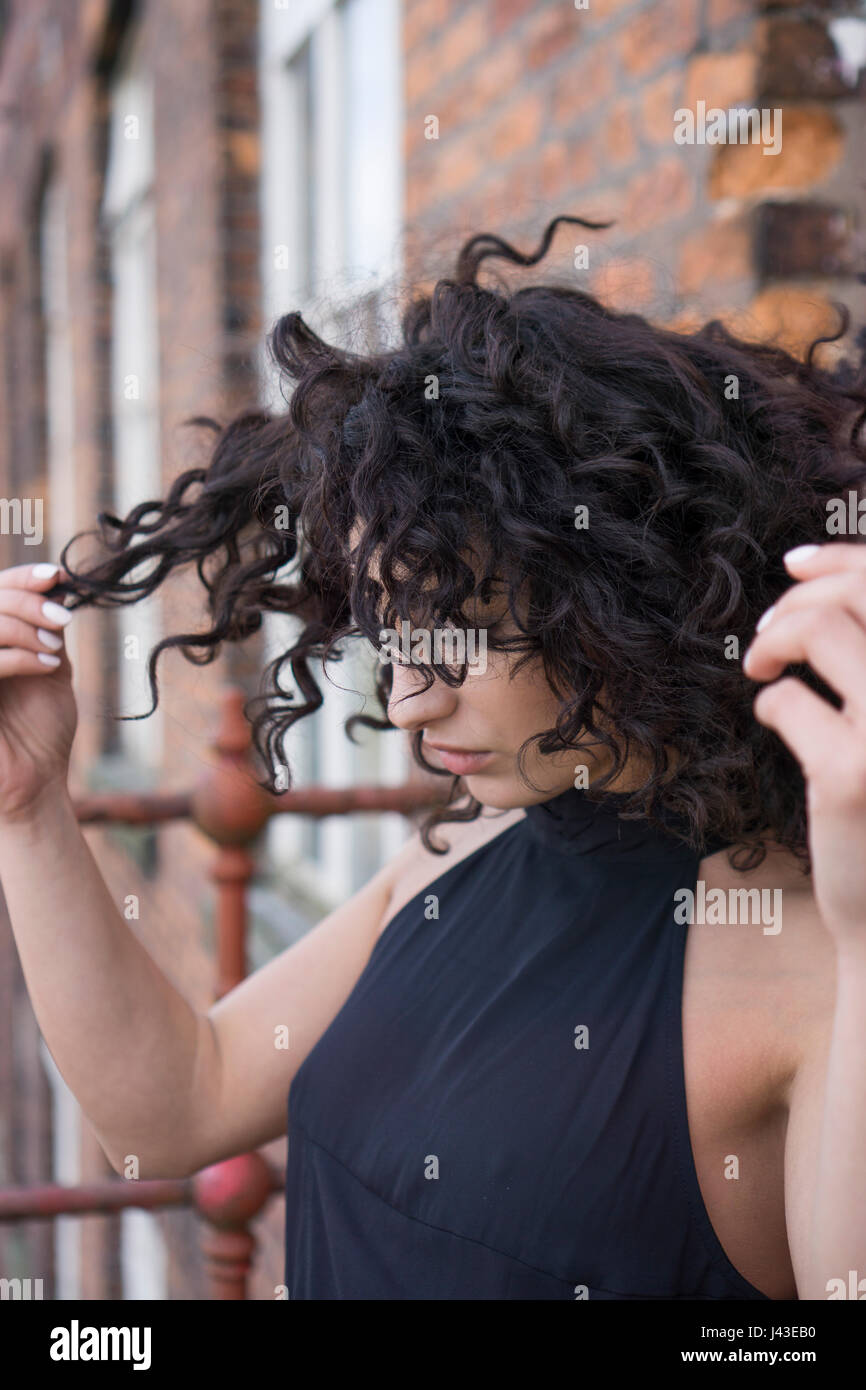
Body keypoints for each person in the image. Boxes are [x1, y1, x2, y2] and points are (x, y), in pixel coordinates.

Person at [1, 215, 865, 1300]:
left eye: (462, 633)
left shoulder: (817, 956)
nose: (410, 700)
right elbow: (177, 1098)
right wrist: (28, 803)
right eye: (391, 635)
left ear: (621, 602)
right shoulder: (459, 855)